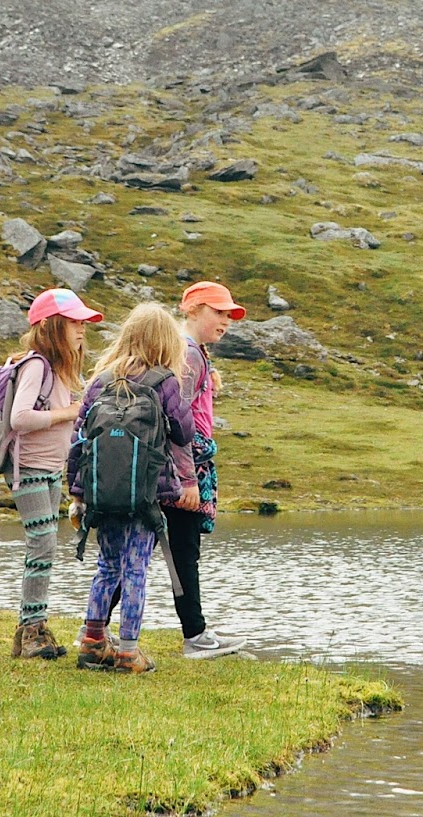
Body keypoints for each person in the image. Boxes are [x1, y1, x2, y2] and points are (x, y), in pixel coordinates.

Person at [65, 303, 195, 674]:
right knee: (135, 568)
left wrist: (77, 492)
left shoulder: (101, 380)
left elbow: (80, 439)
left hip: (101, 492)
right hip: (145, 495)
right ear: (167, 342)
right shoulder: (164, 381)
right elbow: (184, 431)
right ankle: (128, 651)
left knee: (107, 565)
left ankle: (92, 642)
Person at [8, 286, 102, 660]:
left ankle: (33, 628)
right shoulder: (36, 366)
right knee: (42, 544)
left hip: (48, 468)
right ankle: (31, 631)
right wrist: (71, 412)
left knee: (44, 545)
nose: (81, 330)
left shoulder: (58, 370)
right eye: (74, 323)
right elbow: (20, 418)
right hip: (28, 467)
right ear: (51, 327)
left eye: (83, 323)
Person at [165, 280, 248, 658]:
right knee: (181, 549)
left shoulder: (191, 352)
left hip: (175, 466)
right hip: (181, 469)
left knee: (159, 548)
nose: (226, 321)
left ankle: (95, 628)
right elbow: (177, 418)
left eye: (229, 314)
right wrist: (186, 477)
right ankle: (195, 636)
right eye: (218, 312)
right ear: (193, 309)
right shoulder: (189, 354)